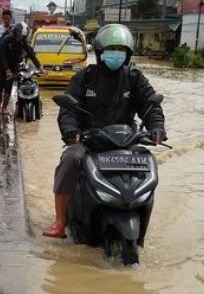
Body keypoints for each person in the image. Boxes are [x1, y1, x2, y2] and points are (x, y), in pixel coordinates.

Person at [42, 23, 167, 239]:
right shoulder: (85, 77)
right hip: (90, 140)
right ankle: (60, 222)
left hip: (126, 140)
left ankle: (141, 216)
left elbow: (150, 105)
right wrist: (71, 131)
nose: (115, 54)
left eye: (120, 50)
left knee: (148, 162)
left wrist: (156, 128)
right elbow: (68, 109)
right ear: (100, 52)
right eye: (111, 50)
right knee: (70, 159)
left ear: (127, 54)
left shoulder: (135, 78)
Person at [0, 22, 43, 116]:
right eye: (20, 35)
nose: (21, 37)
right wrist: (6, 69)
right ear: (16, 32)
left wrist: (39, 67)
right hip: (2, 65)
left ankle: (4, 107)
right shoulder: (6, 39)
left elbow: (31, 53)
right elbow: (2, 56)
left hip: (13, 65)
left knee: (8, 86)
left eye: (23, 36)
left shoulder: (23, 42)